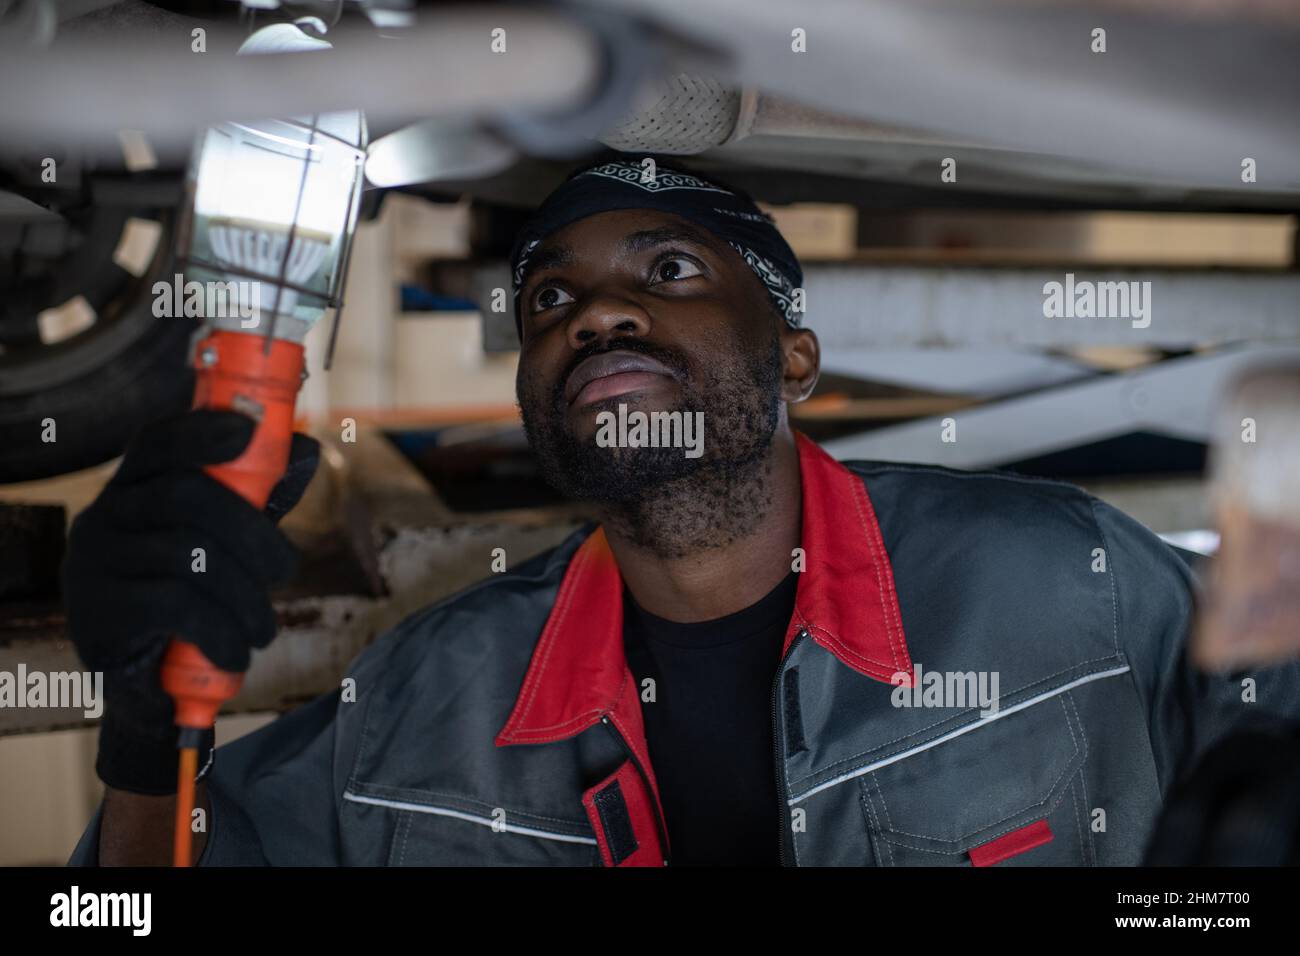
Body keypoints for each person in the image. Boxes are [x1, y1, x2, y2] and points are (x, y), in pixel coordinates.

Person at [65, 156, 1300, 866]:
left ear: (795, 360)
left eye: (667, 270)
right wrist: (138, 741)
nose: (591, 313)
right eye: (549, 300)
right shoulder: (408, 715)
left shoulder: (1068, 578)